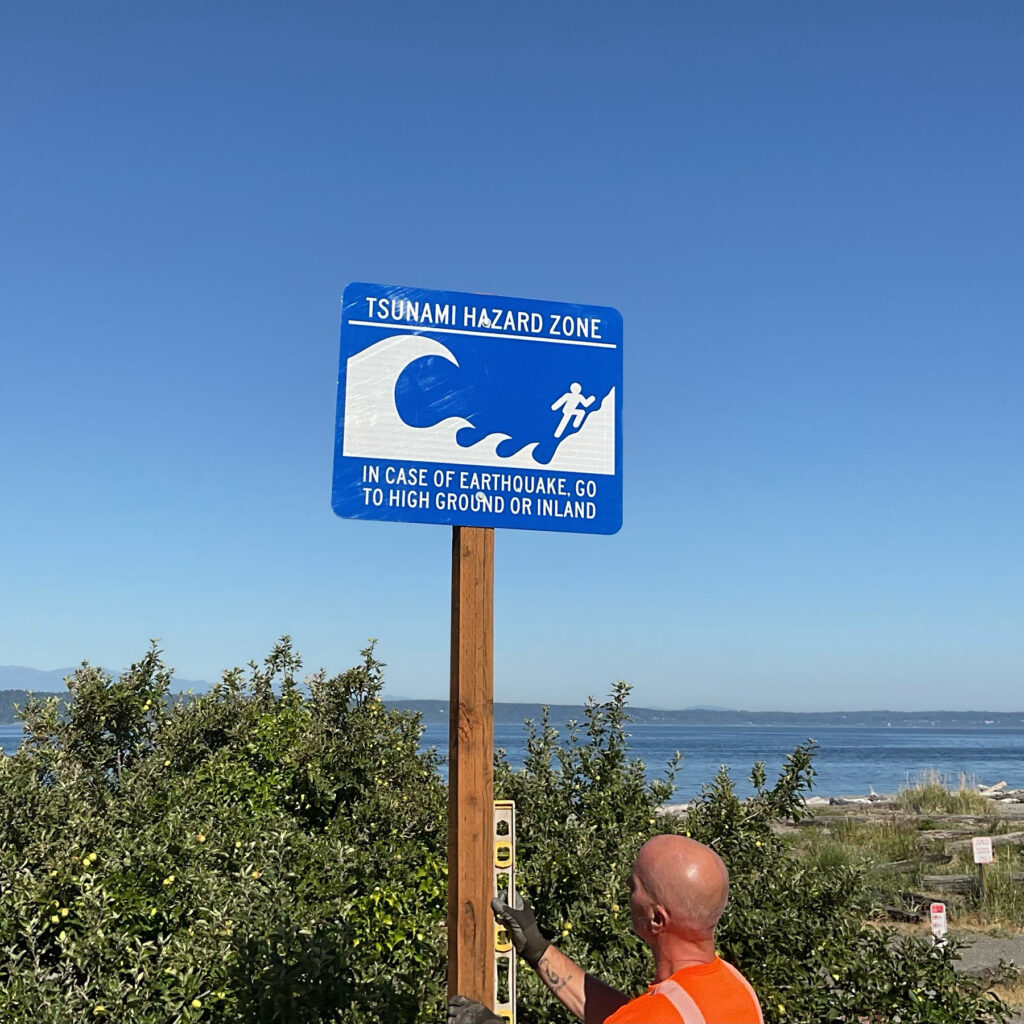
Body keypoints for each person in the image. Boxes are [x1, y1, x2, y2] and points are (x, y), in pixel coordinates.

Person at [450, 835, 763, 1024]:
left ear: (657, 919)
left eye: (635, 886)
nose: (627, 887)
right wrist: (536, 947)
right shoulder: (735, 988)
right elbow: (623, 1015)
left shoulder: (658, 1016)